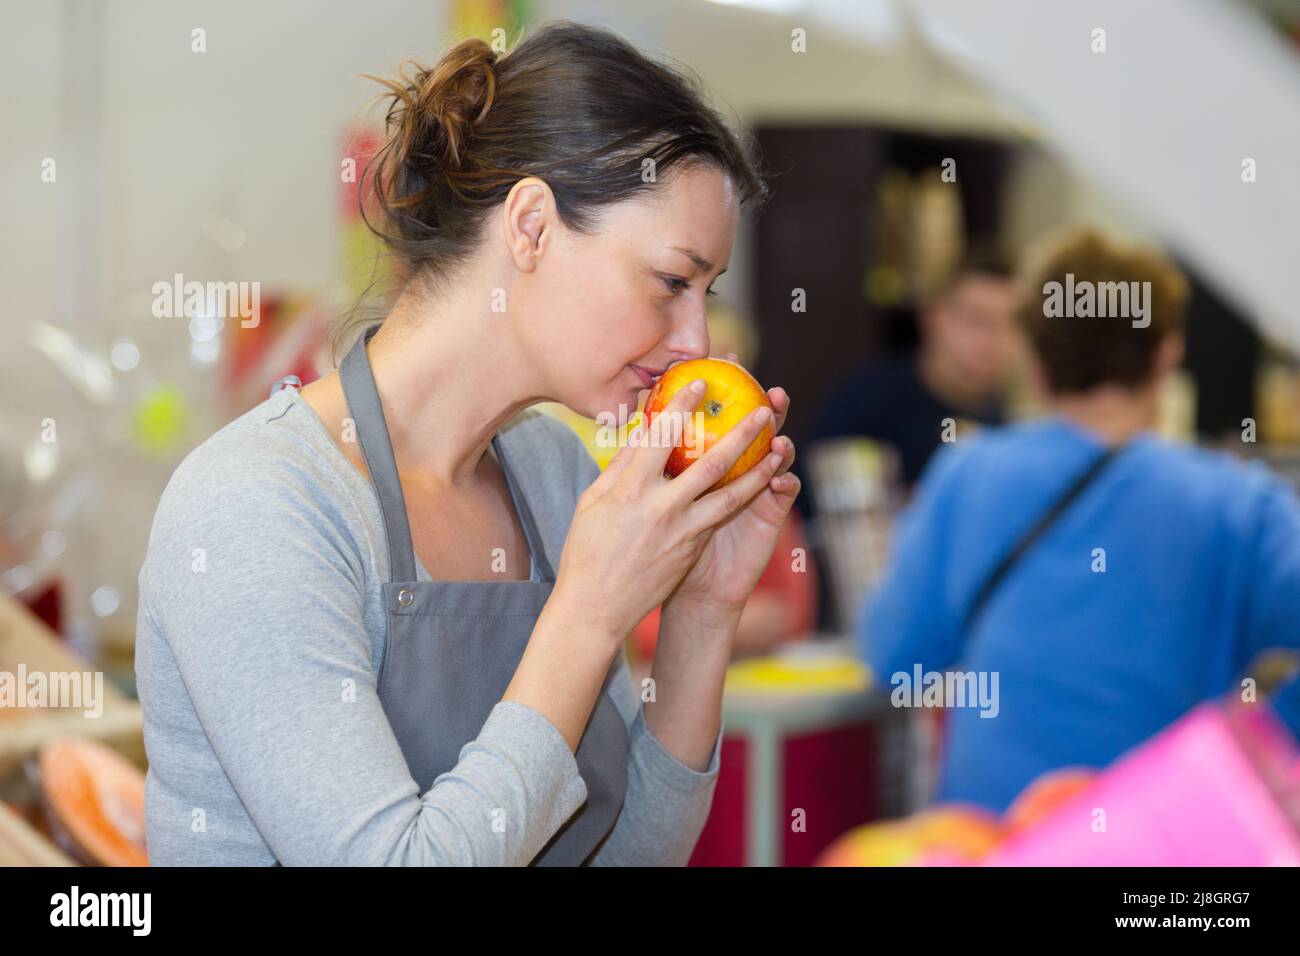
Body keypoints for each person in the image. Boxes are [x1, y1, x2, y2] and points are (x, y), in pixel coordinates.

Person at [134, 22, 800, 866]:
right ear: (530, 227)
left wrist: (702, 612)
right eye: (672, 281)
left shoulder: (553, 476)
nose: (695, 340)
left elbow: (625, 853)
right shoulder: (255, 508)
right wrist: (587, 613)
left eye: (706, 293)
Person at [858, 229, 1300, 814]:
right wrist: (1266, 747)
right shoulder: (1239, 503)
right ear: (1166, 355)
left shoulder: (967, 474)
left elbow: (895, 658)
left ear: (1036, 362)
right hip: (1168, 843)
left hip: (998, 836)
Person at [801, 250, 1020, 506]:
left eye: (1012, 324)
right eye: (977, 320)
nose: (992, 340)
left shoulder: (1010, 427)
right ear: (931, 318)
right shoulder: (868, 403)